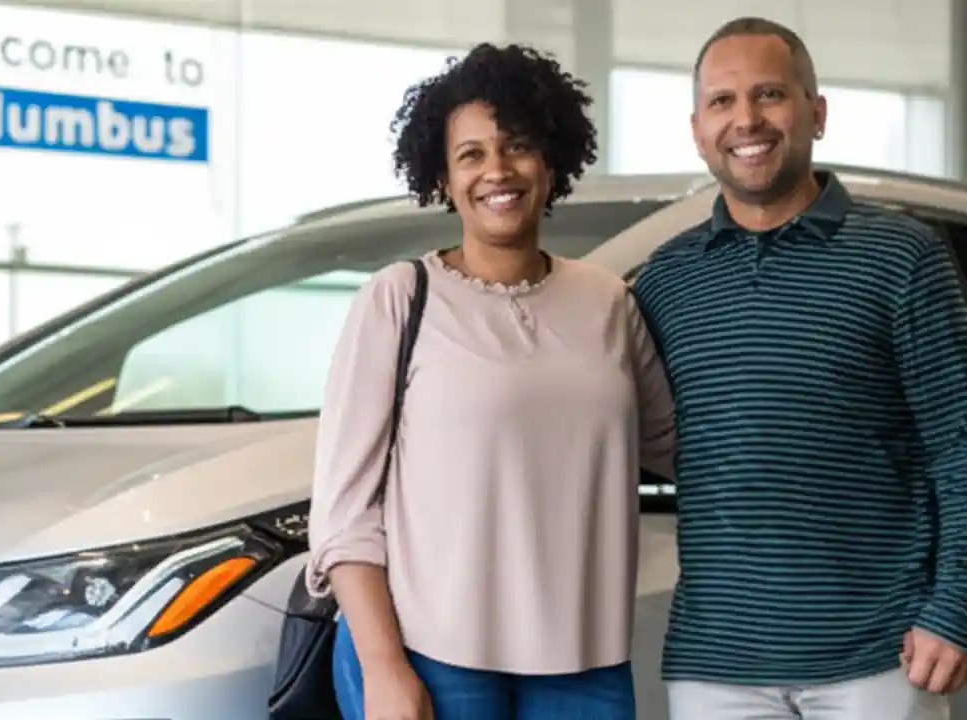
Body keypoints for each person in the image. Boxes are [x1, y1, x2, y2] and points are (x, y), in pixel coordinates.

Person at [304, 43, 677, 720]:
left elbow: (678, 445)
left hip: (586, 662)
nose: (497, 171)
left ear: (551, 160)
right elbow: (343, 515)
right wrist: (385, 668)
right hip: (431, 654)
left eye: (517, 147)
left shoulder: (606, 301)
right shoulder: (400, 298)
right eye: (471, 154)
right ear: (442, 177)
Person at [631, 16, 967, 720]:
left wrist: (954, 608)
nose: (746, 119)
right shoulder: (666, 280)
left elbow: (960, 444)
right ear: (698, 128)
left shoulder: (902, 258)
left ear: (815, 112)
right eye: (722, 102)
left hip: (880, 657)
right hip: (714, 664)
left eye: (770, 95)